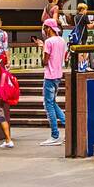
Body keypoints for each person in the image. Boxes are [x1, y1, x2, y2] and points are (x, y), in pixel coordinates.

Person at [36, 18, 67, 146]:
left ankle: (55, 135)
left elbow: (45, 61)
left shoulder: (48, 42)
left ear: (49, 28)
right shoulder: (62, 40)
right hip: (58, 74)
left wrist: (41, 48)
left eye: (44, 28)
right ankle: (68, 127)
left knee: (48, 104)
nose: (44, 31)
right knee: (53, 102)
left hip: (49, 75)